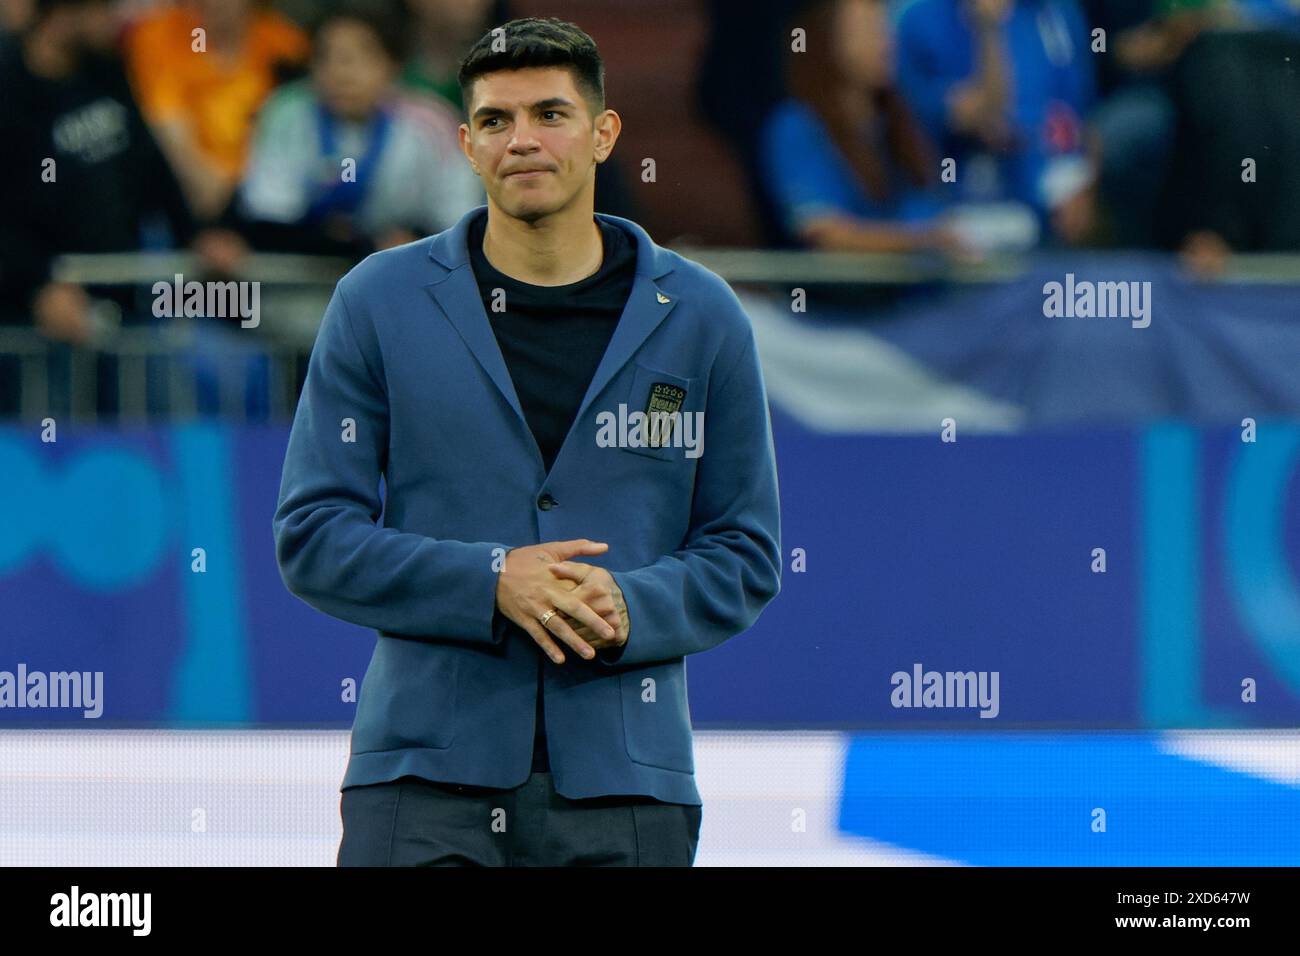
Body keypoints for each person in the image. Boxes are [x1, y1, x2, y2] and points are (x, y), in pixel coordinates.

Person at [273, 17, 782, 866]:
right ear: (467, 145)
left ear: (604, 133)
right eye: (498, 122)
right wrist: (488, 579)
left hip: (626, 789)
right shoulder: (378, 301)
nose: (524, 141)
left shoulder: (702, 316)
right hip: (423, 786)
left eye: (550, 114)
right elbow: (313, 537)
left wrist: (634, 605)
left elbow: (746, 551)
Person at [229, 0, 483, 258]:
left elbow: (459, 222)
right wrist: (359, 247)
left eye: (359, 57)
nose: (340, 72)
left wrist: (413, 242)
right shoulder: (285, 113)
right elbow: (268, 217)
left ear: (393, 65)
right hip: (302, 281)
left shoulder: (433, 123)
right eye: (325, 57)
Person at [759, 0, 956, 253]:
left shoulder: (902, 123)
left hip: (930, 290)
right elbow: (826, 233)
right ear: (827, 40)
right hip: (842, 291)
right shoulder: (796, 126)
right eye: (867, 29)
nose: (884, 42)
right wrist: (924, 241)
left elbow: (934, 211)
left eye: (885, 28)